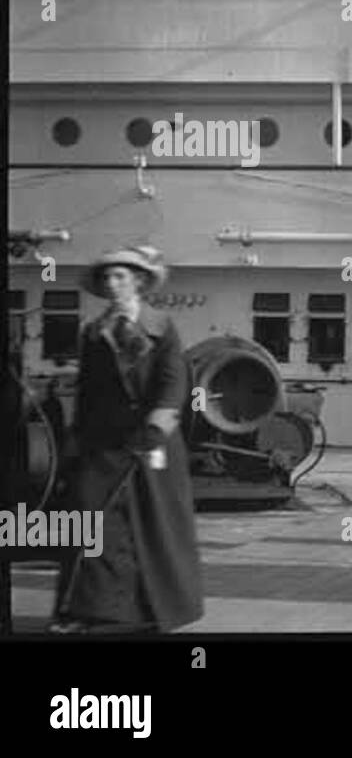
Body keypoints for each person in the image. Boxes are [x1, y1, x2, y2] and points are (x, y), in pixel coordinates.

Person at [50, 246, 203, 634]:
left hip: (150, 444)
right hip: (102, 445)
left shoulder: (163, 326)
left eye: (120, 276)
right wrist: (75, 440)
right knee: (87, 517)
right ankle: (89, 609)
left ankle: (152, 609)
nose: (111, 284)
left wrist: (155, 430)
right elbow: (89, 391)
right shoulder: (93, 331)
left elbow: (173, 381)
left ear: (137, 281)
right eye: (107, 278)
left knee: (151, 526)